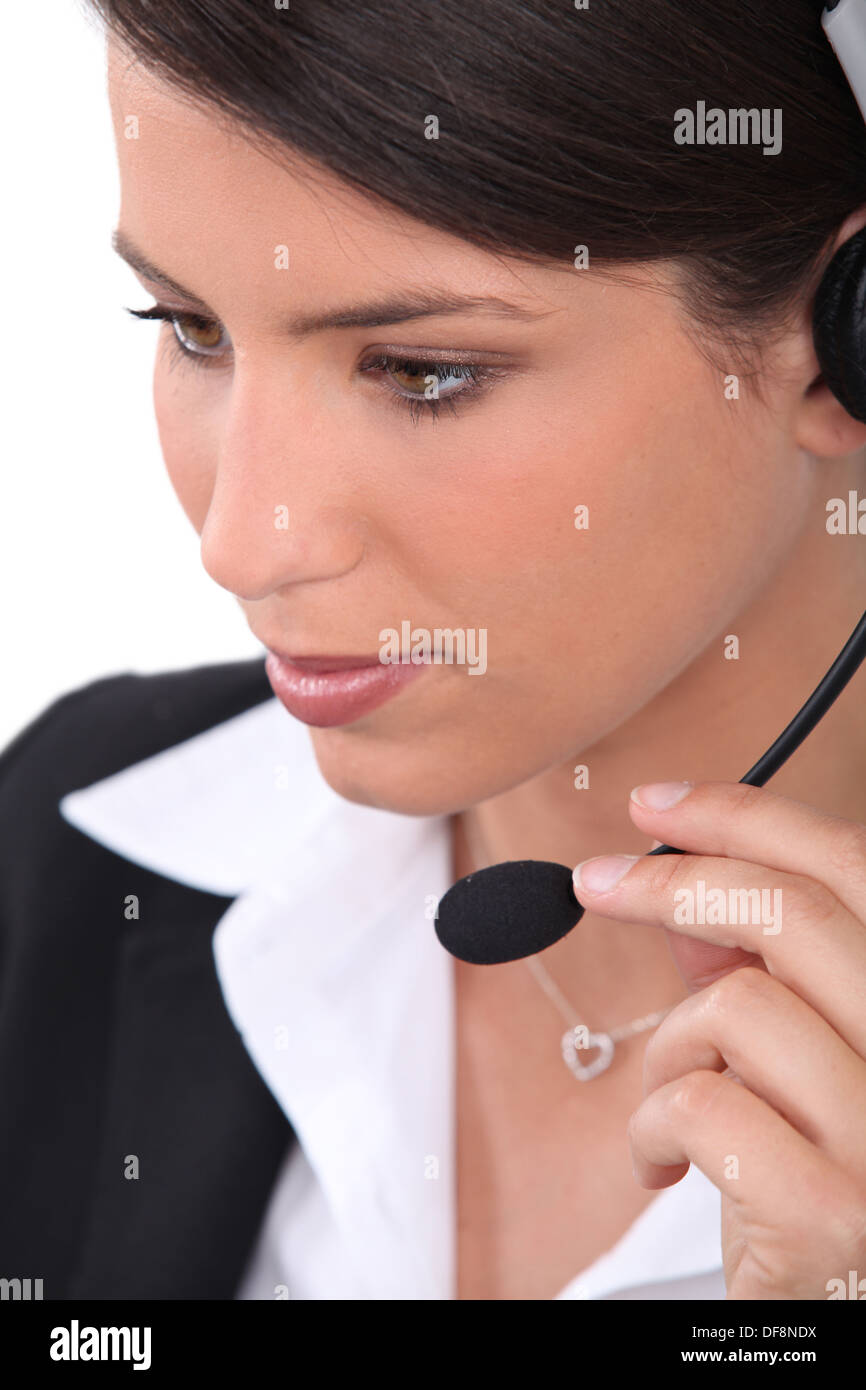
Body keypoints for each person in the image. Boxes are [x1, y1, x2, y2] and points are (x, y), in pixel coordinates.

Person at [2, 0, 866, 1301]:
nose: (242, 544)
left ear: (834, 349)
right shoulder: (67, 840)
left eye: (419, 371)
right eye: (189, 328)